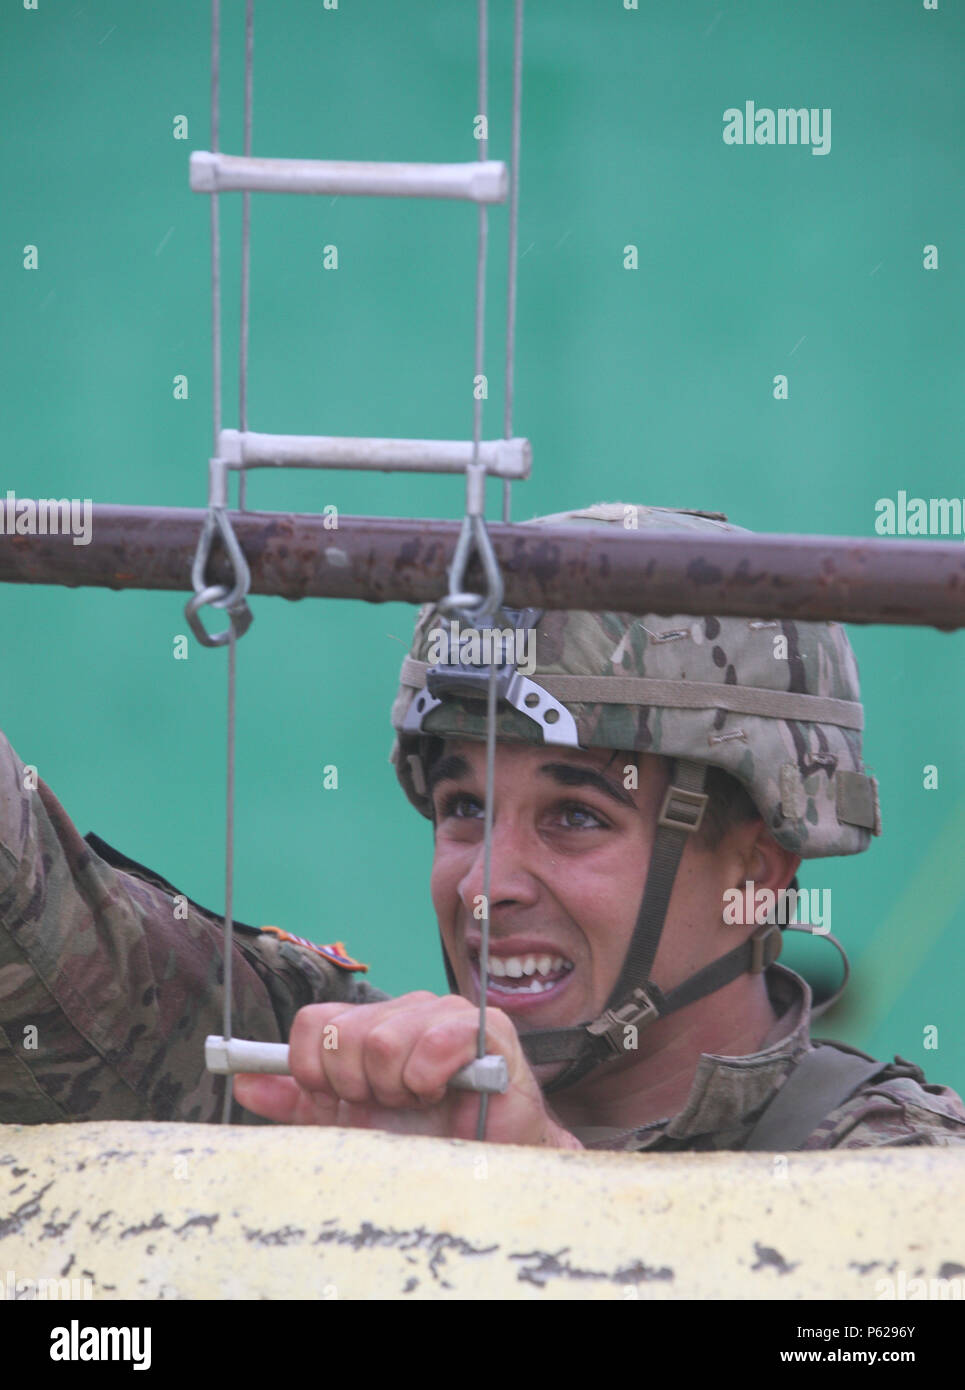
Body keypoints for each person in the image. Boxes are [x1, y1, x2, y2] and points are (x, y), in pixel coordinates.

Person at [1, 501, 963, 1151]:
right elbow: (43, 937)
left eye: (576, 817)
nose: (485, 882)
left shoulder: (893, 1166)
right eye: (462, 808)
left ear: (754, 871)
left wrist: (538, 1179)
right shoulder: (320, 1070)